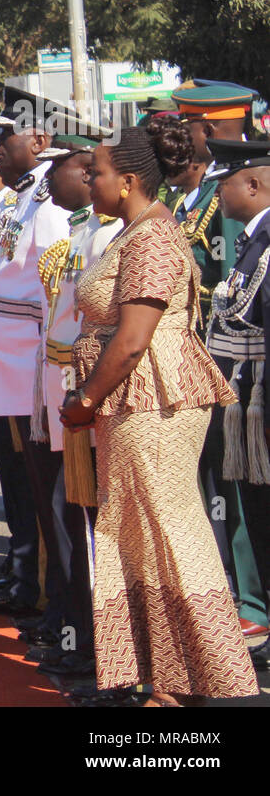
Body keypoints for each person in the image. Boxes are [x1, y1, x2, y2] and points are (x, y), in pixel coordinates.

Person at [59, 121, 256, 704]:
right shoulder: (135, 229)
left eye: (95, 172)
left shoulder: (152, 238)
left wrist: (85, 400)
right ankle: (164, 685)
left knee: (170, 529)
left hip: (153, 399)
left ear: (127, 181)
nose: (88, 180)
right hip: (133, 400)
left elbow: (132, 338)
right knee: (137, 534)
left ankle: (214, 681)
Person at [168, 81, 268, 637]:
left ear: (208, 128)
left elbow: (236, 286)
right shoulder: (206, 188)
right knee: (222, 486)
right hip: (213, 356)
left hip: (234, 359)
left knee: (240, 484)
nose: (185, 135)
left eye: (191, 125)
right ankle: (239, 593)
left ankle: (252, 600)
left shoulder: (236, 188)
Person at [26, 134, 120, 675]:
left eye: (54, 170)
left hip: (86, 398)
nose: (47, 181)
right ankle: (74, 636)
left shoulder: (110, 237)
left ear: (85, 172)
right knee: (65, 520)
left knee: (87, 526)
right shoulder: (81, 231)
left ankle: (94, 648)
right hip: (58, 392)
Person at [0, 105, 71, 618]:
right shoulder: (20, 199)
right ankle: (36, 589)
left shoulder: (51, 201)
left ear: (36, 141)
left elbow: (54, 297)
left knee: (49, 498)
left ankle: (56, 604)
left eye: (4, 138)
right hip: (6, 367)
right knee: (25, 487)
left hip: (32, 367)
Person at [201, 138, 270, 669]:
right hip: (248, 398)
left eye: (223, 183)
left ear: (253, 185)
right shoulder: (253, 240)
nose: (216, 193)